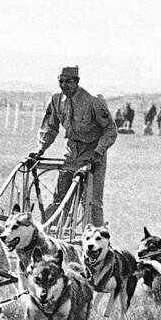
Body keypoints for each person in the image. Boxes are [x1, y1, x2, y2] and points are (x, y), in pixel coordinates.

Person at [28, 65, 117, 226]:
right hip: (71, 152)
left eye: (68, 81)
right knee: (60, 199)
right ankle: (51, 238)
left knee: (92, 202)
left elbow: (110, 130)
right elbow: (50, 127)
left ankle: (98, 240)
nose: (64, 85)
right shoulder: (56, 99)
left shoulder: (93, 100)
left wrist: (98, 153)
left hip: (93, 153)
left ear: (77, 81)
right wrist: (39, 149)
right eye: (60, 81)